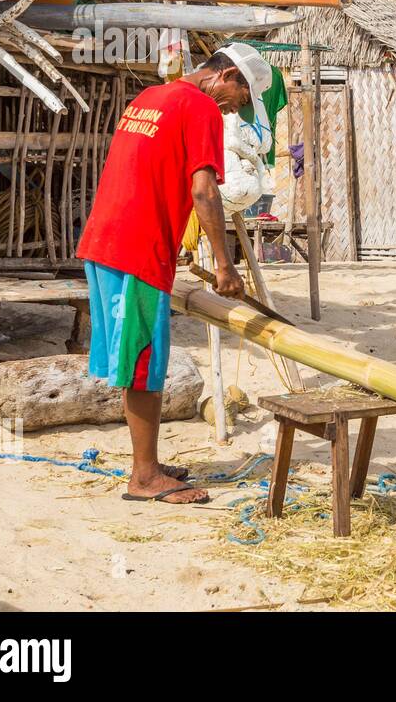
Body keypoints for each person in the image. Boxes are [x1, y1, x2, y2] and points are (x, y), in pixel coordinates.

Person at [78, 45, 272, 504]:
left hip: (105, 239)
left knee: (136, 359)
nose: (234, 108)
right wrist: (225, 266)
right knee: (145, 363)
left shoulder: (151, 96)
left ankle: (149, 464)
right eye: (239, 97)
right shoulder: (201, 105)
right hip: (137, 249)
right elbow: (204, 191)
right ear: (224, 76)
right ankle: (144, 478)